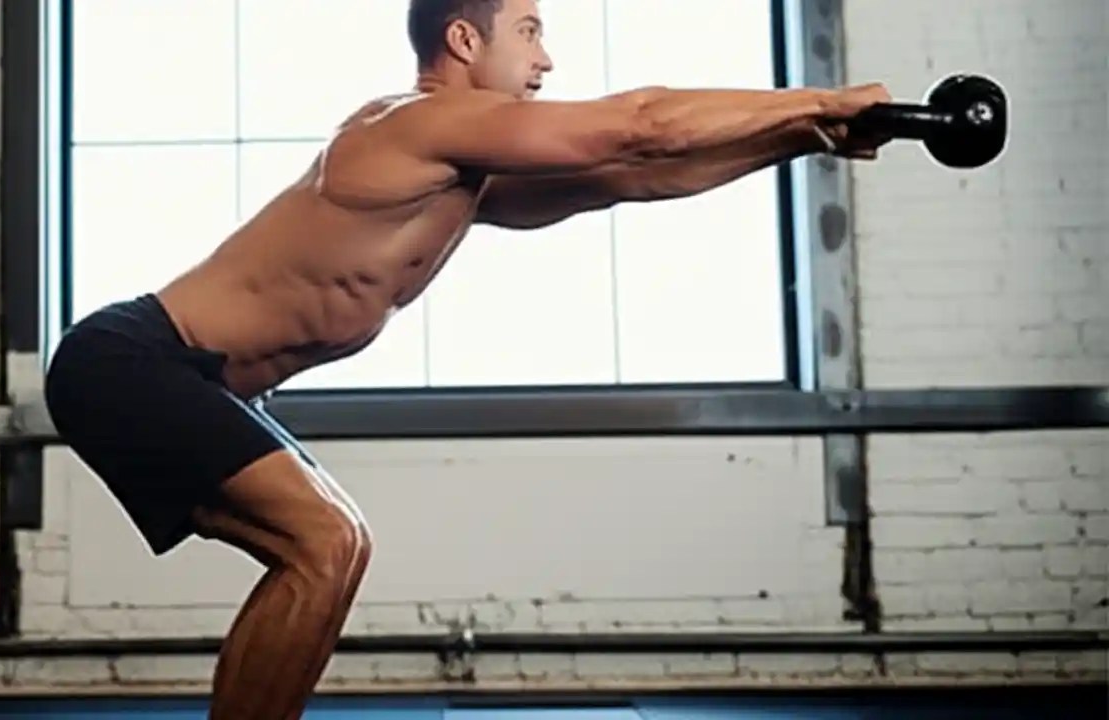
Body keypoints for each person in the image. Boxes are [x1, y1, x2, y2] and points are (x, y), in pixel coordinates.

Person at [43, 0, 893, 717]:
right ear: (463, 40)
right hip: (133, 361)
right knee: (325, 542)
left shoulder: (455, 178)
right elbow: (641, 125)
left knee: (335, 548)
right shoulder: (414, 126)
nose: (546, 59)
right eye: (528, 31)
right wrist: (818, 94)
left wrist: (809, 134)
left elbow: (638, 176)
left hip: (187, 378)